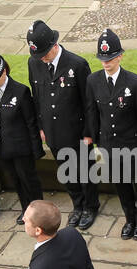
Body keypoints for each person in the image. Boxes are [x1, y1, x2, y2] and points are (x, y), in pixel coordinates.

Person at [83, 29, 137, 240]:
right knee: (121, 185)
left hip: (132, 144)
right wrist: (93, 138)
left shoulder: (134, 82)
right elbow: (92, 112)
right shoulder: (93, 81)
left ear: (120, 56)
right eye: (102, 58)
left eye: (110, 57)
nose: (106, 62)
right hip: (109, 145)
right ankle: (129, 218)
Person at [27, 20, 97, 228]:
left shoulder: (77, 64)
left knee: (85, 171)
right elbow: (37, 96)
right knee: (67, 171)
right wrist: (41, 126)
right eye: (38, 55)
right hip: (53, 131)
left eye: (44, 54)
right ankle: (78, 205)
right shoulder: (34, 63)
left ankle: (91, 206)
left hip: (77, 132)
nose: (42, 59)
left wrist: (88, 132)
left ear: (54, 45)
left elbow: (89, 103)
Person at [0, 53, 43, 224]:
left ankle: (39, 212)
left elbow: (31, 123)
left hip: (21, 148)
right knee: (16, 181)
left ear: (4, 72)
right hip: (2, 148)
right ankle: (25, 209)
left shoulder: (21, 91)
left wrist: (37, 149)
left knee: (29, 181)